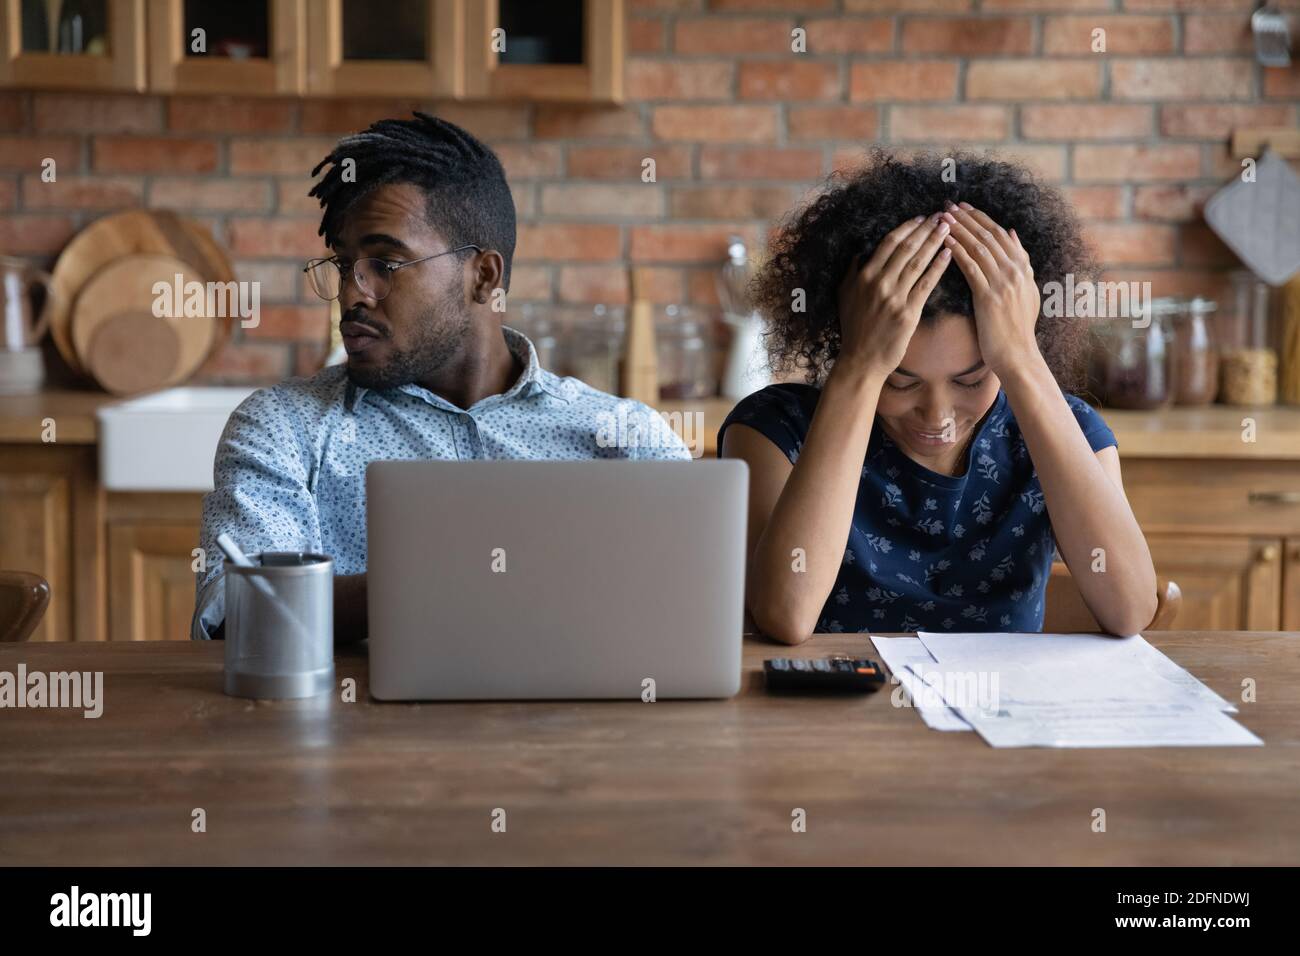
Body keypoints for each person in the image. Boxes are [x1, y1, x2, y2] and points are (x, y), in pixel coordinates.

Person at [193, 113, 688, 642]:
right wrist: (465, 580)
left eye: (385, 264)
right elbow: (238, 612)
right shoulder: (284, 427)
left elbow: (696, 602)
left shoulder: (627, 439)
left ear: (484, 277)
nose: (352, 293)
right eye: (343, 265)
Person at [720, 150, 1156, 643]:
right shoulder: (775, 431)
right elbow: (784, 615)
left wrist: (1022, 358)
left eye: (970, 381)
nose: (937, 415)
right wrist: (858, 370)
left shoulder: (1064, 429)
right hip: (842, 696)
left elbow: (1130, 609)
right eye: (900, 381)